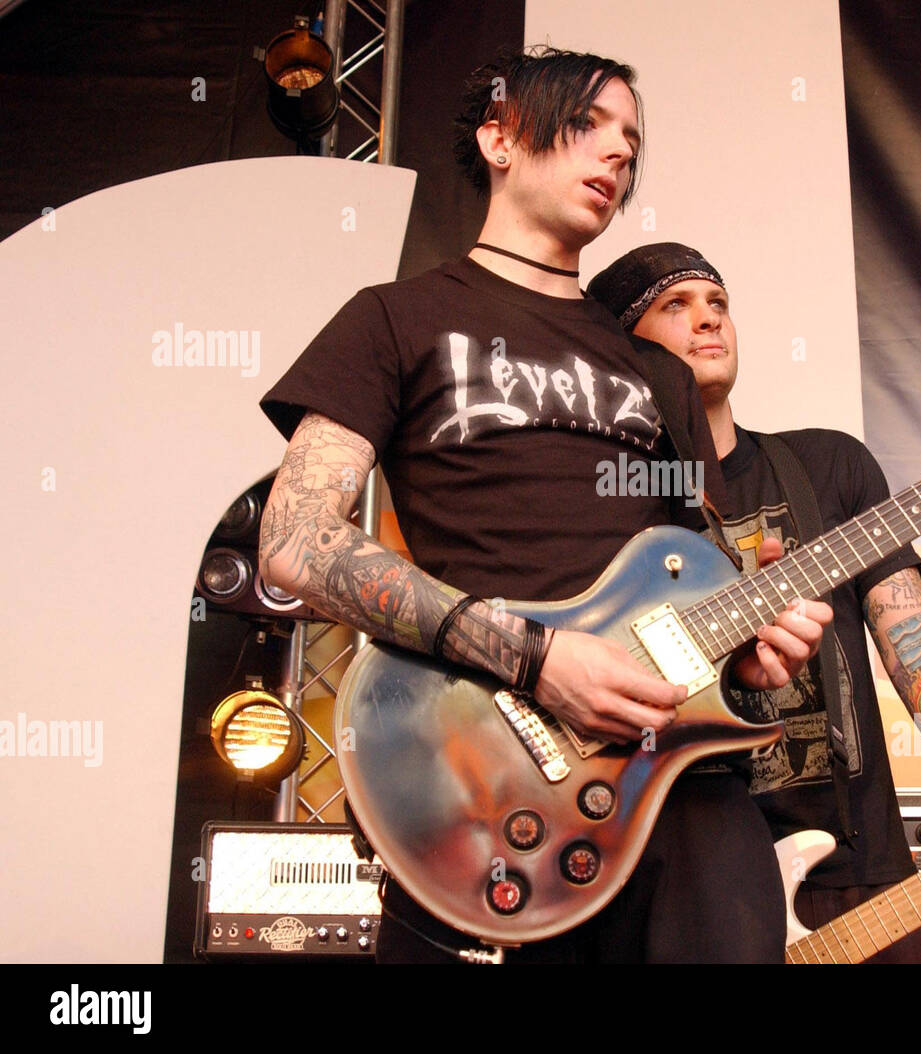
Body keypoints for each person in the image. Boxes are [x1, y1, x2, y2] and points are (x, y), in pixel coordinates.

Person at [256, 51, 829, 963]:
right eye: (587, 126)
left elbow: (687, 568)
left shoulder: (660, 373)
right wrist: (534, 658)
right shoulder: (395, 320)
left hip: (681, 793)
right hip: (482, 774)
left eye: (631, 142)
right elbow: (294, 544)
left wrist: (745, 655)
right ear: (500, 139)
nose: (617, 156)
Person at [588, 243, 921, 962]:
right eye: (675, 306)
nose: (709, 321)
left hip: (859, 876)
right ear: (625, 344)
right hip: (682, 887)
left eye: (718, 303)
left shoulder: (828, 467)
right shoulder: (605, 502)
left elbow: (914, 641)